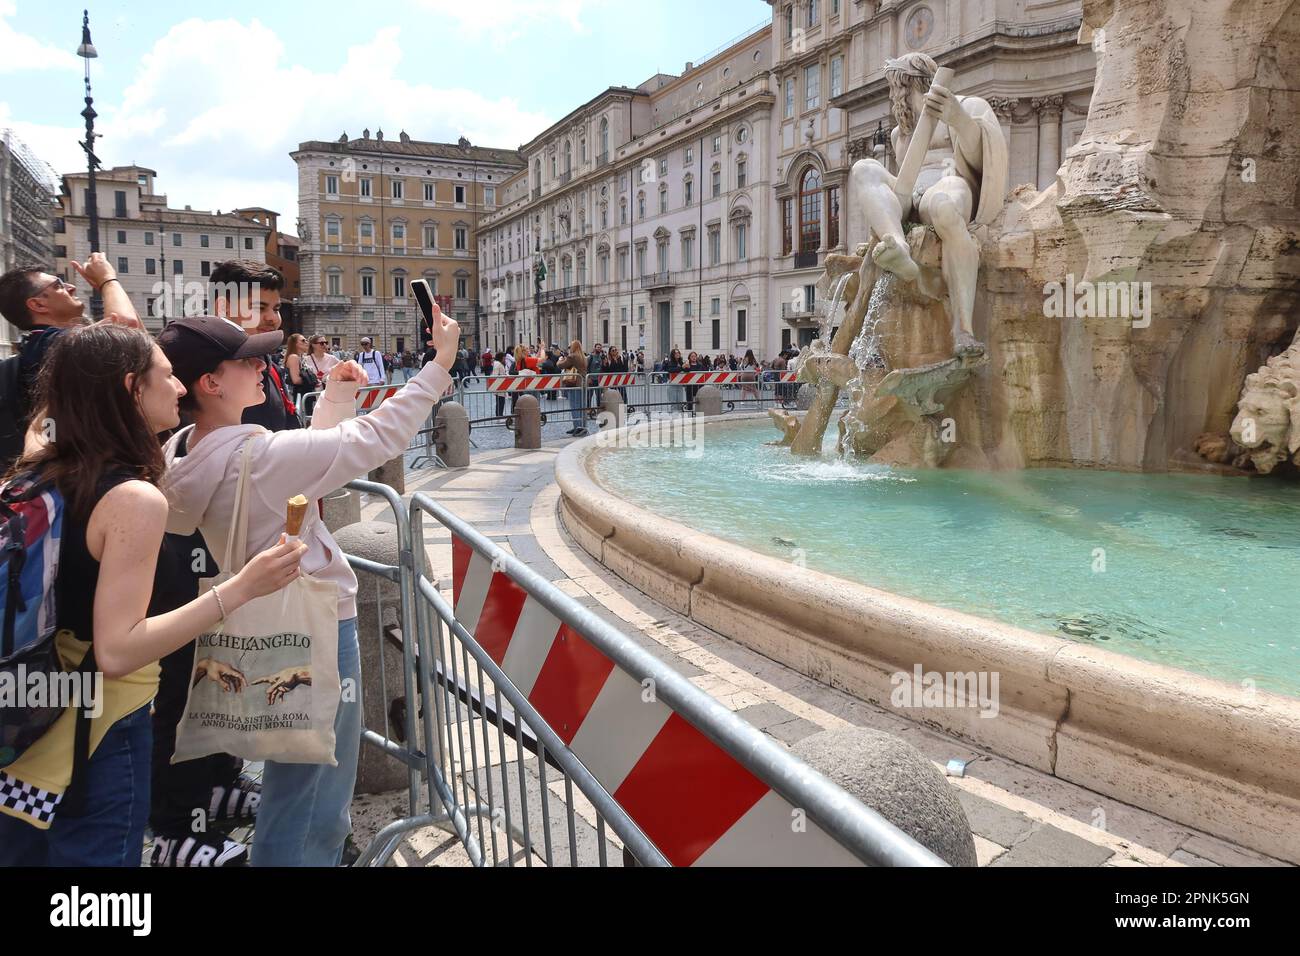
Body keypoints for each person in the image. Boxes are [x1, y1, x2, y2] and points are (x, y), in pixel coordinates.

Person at [158, 305, 460, 867]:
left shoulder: (184, 452)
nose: (262, 365)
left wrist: (335, 399)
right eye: (245, 359)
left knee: (293, 765)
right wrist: (439, 363)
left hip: (260, 618)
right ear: (211, 382)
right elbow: (375, 438)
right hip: (313, 623)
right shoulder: (259, 456)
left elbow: (303, 473)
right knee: (315, 780)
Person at [0, 324, 304, 866]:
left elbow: (61, 391)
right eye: (166, 376)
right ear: (131, 389)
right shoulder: (133, 499)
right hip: (101, 726)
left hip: (30, 713)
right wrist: (240, 589)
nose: (181, 388)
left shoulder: (37, 463)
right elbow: (119, 650)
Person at [0, 255, 142, 470]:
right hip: (87, 473)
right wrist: (107, 280)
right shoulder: (52, 342)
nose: (71, 287)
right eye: (58, 285)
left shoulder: (41, 346)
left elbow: (139, 344)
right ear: (37, 304)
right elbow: (126, 329)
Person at [558, 340, 588, 436]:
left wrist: (560, 359)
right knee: (581, 406)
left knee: (574, 406)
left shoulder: (572, 356)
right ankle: (581, 426)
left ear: (573, 347)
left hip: (574, 383)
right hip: (583, 383)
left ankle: (578, 427)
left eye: (570, 346)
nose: (569, 348)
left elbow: (561, 365)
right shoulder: (584, 357)